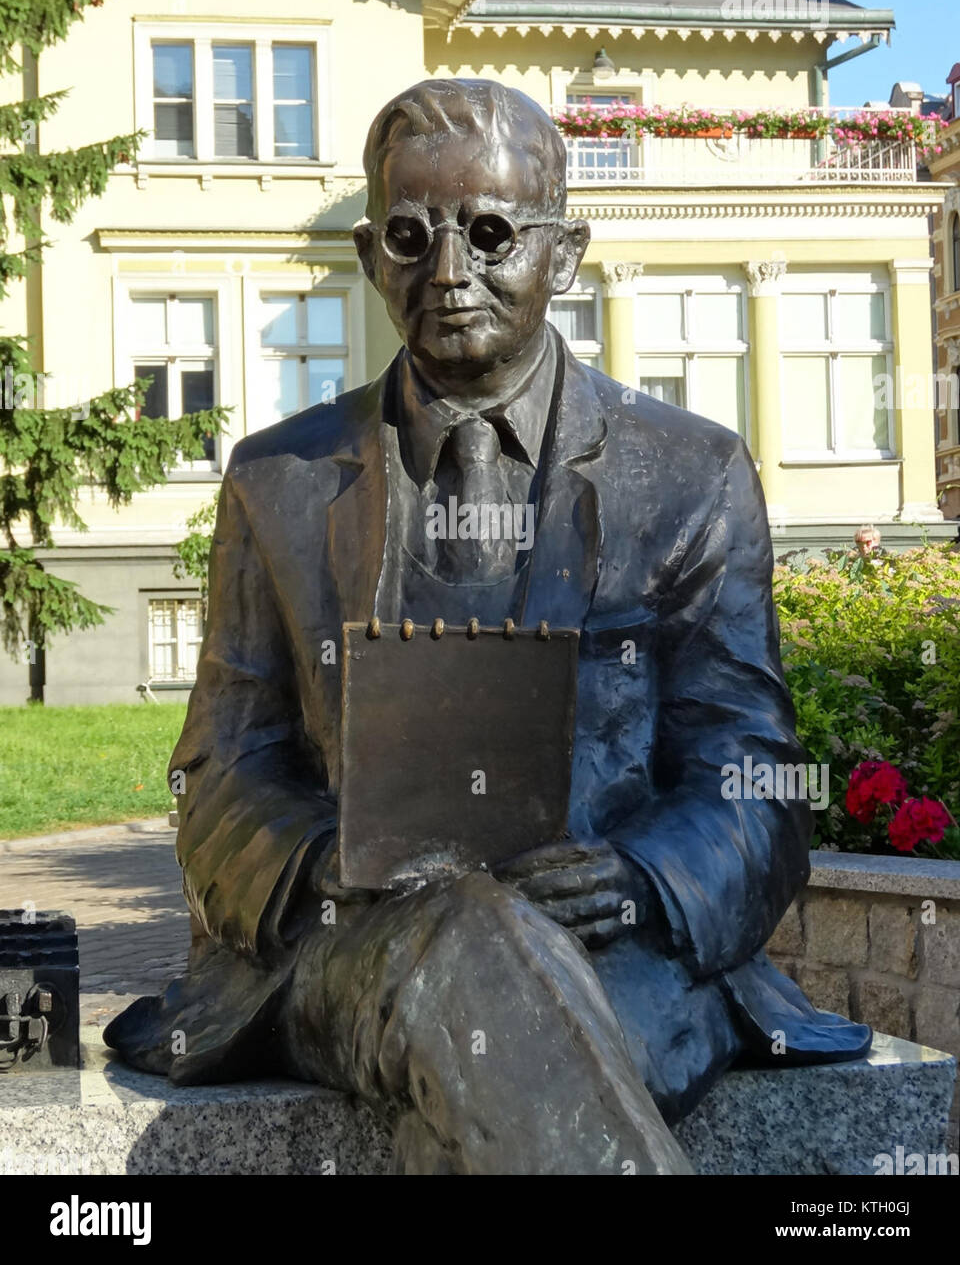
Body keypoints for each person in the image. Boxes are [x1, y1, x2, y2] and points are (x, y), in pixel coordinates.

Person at [106, 79, 870, 1175]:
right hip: (357, 946)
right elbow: (219, 772)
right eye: (412, 238)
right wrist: (326, 862)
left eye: (492, 233)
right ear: (373, 257)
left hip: (626, 946)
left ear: (566, 253)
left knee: (504, 1044)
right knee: (473, 947)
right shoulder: (275, 480)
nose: (449, 274)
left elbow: (751, 771)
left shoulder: (690, 475)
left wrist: (640, 875)